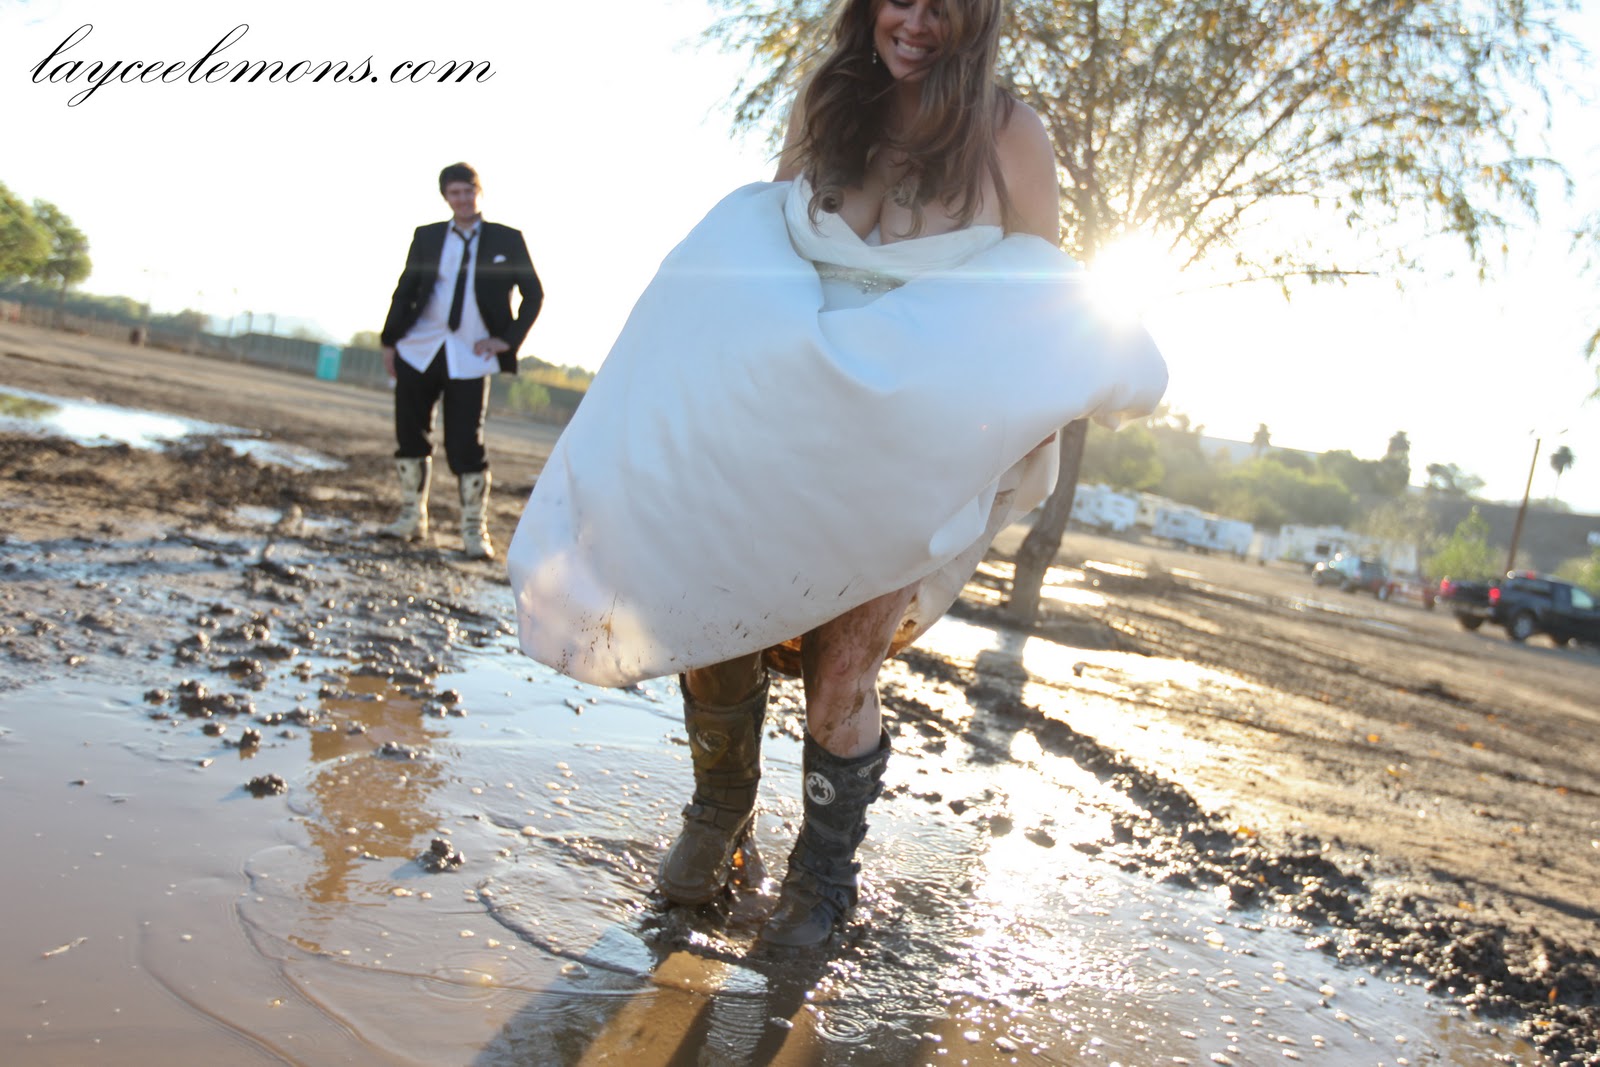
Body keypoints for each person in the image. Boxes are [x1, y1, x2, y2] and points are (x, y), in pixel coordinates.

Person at [508, 0, 1167, 948]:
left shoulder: (1011, 137)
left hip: (900, 458)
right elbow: (759, 258)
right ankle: (720, 816)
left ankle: (823, 875)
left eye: (943, 6)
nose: (916, 22)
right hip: (777, 432)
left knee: (841, 672)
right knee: (713, 625)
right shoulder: (828, 97)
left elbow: (1039, 309)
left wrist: (1012, 440)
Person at [378, 162, 543, 560]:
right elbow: (405, 289)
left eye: (469, 191)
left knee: (465, 443)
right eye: (455, 193)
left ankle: (473, 530)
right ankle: (411, 518)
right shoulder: (427, 236)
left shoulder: (507, 239)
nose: (463, 199)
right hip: (421, 347)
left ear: (479, 193)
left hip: (471, 355)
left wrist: (507, 340)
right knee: (410, 434)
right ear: (445, 197)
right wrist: (389, 340)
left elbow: (534, 294)